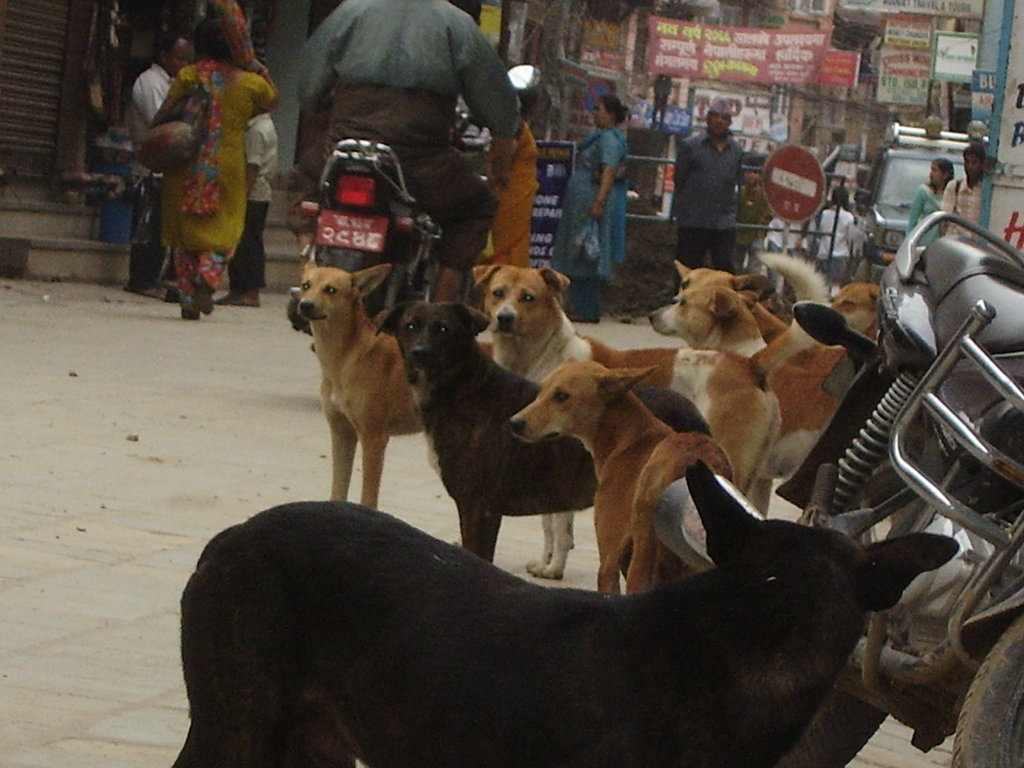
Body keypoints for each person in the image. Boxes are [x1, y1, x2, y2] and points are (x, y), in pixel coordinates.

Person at [295, 0, 520, 302]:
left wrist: (319, 109)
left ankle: (307, 271)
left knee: (302, 190)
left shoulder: (351, 11)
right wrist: (503, 150)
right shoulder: (456, 24)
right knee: (476, 209)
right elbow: (498, 104)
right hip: (420, 159)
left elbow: (309, 84)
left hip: (344, 147)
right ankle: (439, 312)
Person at [158, 15, 278, 319]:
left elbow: (165, 113)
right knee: (227, 231)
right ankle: (208, 276)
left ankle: (188, 299)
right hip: (228, 167)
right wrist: (257, 67)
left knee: (184, 236)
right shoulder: (250, 83)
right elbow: (273, 100)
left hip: (185, 164)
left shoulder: (188, 75)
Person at [549, 94, 630, 323]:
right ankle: (579, 305)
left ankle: (587, 308)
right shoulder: (598, 137)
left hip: (591, 201)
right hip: (581, 200)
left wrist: (599, 202)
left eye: (600, 109)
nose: (595, 113)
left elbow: (609, 171)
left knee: (586, 253)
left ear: (612, 114)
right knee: (576, 251)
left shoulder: (610, 140)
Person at [124, 32, 192, 300]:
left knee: (160, 227)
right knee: (148, 227)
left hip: (167, 167)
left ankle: (154, 276)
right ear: (164, 56)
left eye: (187, 59)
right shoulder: (150, 83)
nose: (183, 64)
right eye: (179, 58)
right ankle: (141, 279)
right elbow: (161, 126)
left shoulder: (174, 83)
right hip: (150, 164)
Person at [672, 97, 743, 273]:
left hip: (723, 222)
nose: (719, 121)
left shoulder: (736, 151)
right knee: (687, 271)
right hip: (693, 221)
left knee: (725, 271)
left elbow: (736, 180)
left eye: (724, 118)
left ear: (729, 122)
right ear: (707, 119)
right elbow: (679, 179)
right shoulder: (691, 146)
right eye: (715, 116)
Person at [215, 111, 278, 307]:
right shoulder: (262, 125)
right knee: (242, 241)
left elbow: (253, 165)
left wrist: (242, 194)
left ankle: (250, 290)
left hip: (253, 193)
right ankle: (238, 288)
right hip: (256, 191)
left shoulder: (257, 130)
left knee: (248, 243)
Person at [487, 65, 540, 267]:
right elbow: (505, 155)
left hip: (514, 200)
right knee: (504, 253)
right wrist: (500, 177)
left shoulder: (514, 125)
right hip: (508, 197)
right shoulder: (515, 127)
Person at [814, 186, 857, 294]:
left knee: (822, 283)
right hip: (840, 254)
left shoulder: (824, 214)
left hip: (823, 252)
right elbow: (849, 238)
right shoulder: (848, 217)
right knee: (835, 285)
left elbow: (818, 233)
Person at [941, 140, 986, 236]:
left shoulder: (986, 191)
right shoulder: (954, 187)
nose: (970, 166)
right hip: (956, 244)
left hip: (978, 245)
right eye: (967, 162)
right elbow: (944, 219)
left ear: (982, 165)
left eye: (974, 163)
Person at [907, 158, 954, 247]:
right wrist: (910, 242)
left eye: (935, 170)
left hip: (943, 243)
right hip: (923, 242)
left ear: (945, 174)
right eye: (931, 170)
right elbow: (913, 218)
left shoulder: (952, 193)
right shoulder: (923, 192)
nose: (931, 174)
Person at [735, 162, 772, 271]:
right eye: (749, 172)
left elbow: (768, 214)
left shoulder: (765, 195)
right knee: (735, 267)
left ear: (760, 176)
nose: (751, 175)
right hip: (739, 234)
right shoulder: (739, 192)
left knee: (754, 269)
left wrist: (761, 229)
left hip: (756, 235)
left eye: (755, 173)